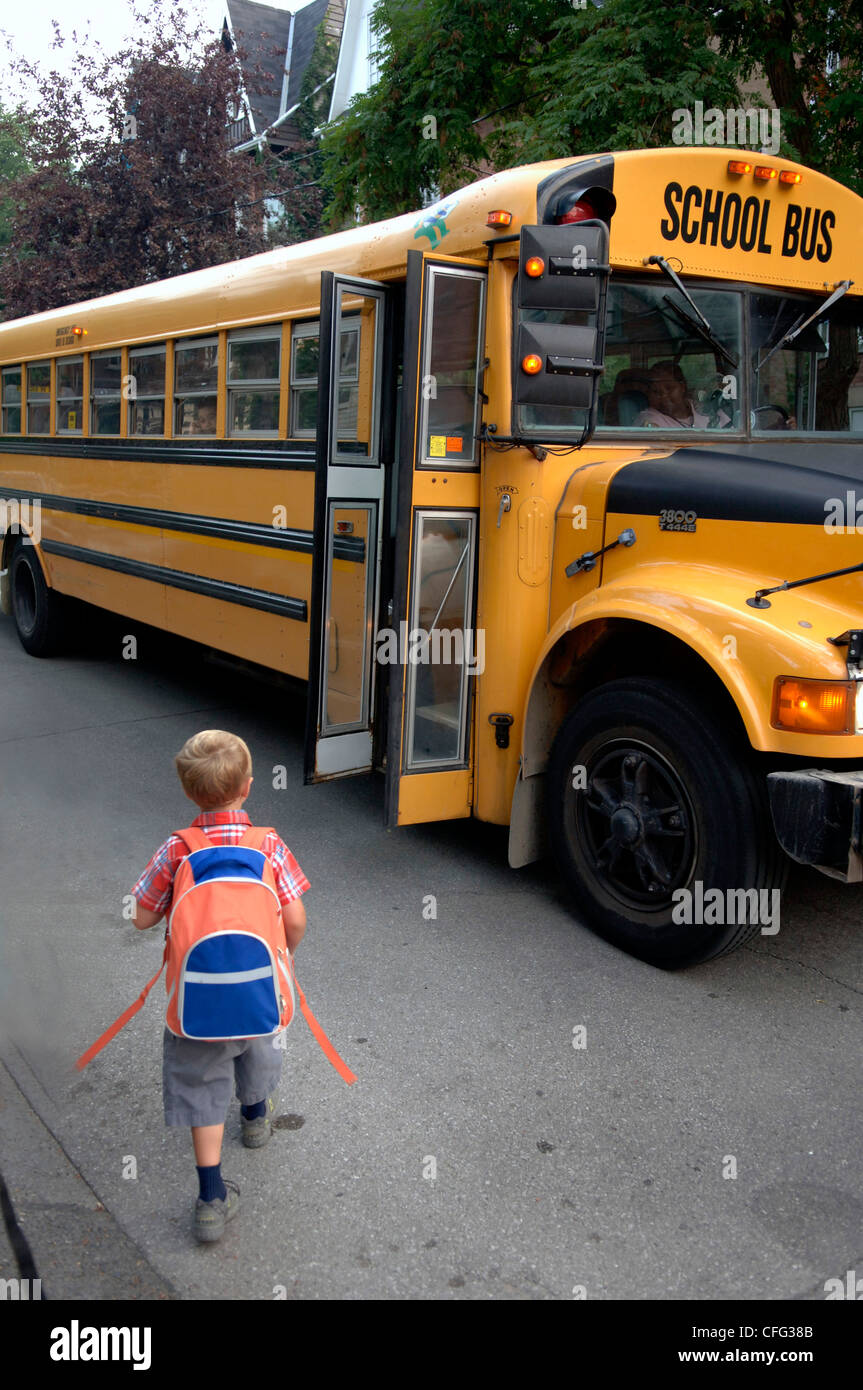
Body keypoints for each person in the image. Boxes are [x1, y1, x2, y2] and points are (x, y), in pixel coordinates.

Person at [130, 730, 309, 1243]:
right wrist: (283, 956)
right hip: (258, 986)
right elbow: (295, 919)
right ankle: (255, 1117)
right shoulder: (268, 844)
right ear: (248, 787)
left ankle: (211, 1197)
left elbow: (143, 918)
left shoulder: (176, 849)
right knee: (259, 1045)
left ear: (189, 793)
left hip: (197, 1000)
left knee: (202, 1083)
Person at [635, 361, 729, 429]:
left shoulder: (705, 408)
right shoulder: (649, 419)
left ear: (682, 387)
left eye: (669, 388)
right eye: (655, 391)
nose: (663, 395)